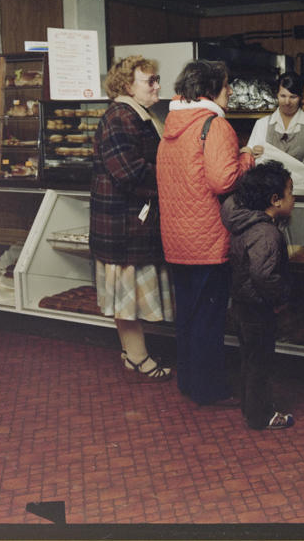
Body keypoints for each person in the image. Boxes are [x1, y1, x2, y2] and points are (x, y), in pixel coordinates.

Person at [156, 59, 259, 406]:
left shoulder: (171, 125)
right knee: (209, 319)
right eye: (226, 84)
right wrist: (247, 158)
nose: (230, 90)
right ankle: (209, 389)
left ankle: (189, 381)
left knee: (187, 315)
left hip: (176, 239)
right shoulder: (215, 126)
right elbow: (223, 180)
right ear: (210, 89)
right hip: (207, 239)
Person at [90, 55, 173, 382]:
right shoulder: (119, 117)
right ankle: (138, 358)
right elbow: (130, 173)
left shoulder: (136, 114)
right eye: (150, 80)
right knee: (127, 295)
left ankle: (132, 353)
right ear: (127, 86)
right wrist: (175, 175)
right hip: (123, 225)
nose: (157, 86)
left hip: (126, 223)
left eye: (156, 79)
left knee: (128, 295)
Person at [220, 160, 295, 430]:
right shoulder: (267, 233)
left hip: (241, 304)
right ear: (275, 200)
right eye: (290, 192)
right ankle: (261, 416)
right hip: (258, 308)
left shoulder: (244, 224)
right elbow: (264, 275)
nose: (293, 198)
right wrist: (281, 298)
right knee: (260, 363)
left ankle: (249, 407)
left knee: (249, 360)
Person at [246, 72, 304, 182]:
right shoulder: (262, 124)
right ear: (276, 95)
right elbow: (247, 153)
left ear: (301, 97)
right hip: (269, 187)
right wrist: (252, 153)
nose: (287, 102)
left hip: (303, 185)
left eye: (293, 97)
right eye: (283, 96)